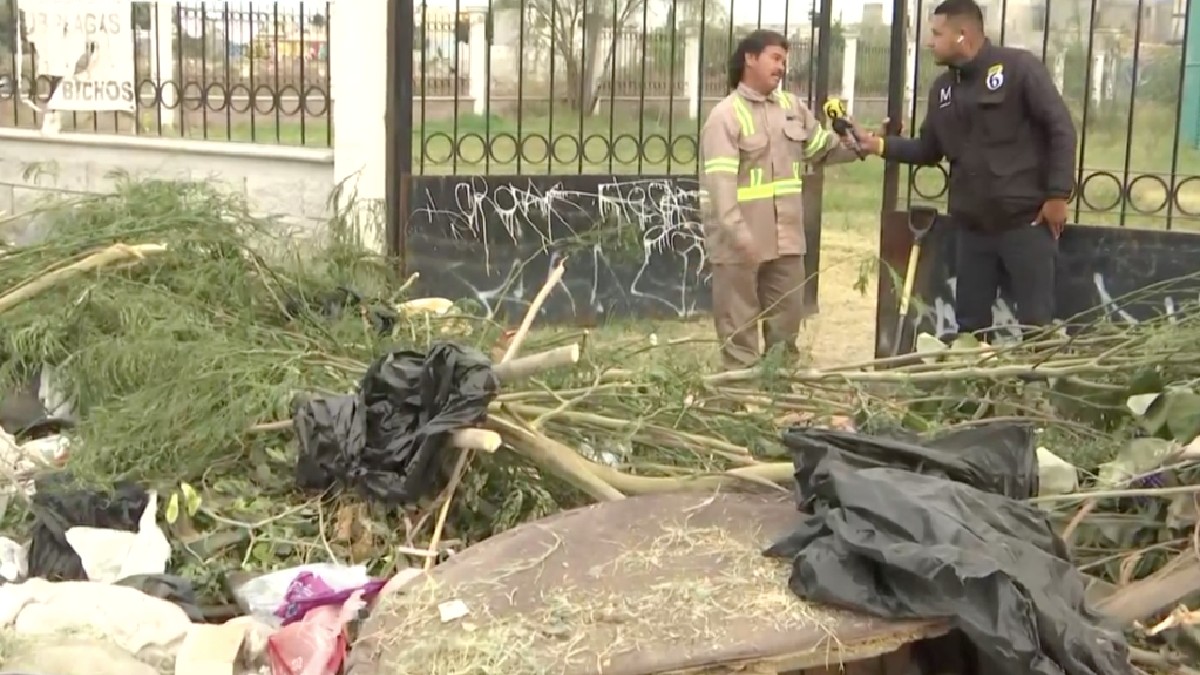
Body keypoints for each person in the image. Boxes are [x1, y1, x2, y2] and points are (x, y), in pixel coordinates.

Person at [853, 0, 1077, 343]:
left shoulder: (1019, 68)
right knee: (970, 326)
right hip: (972, 229)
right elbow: (929, 148)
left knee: (1036, 324)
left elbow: (1061, 128)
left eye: (936, 33)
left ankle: (1034, 393)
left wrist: (1058, 195)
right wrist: (879, 146)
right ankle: (972, 394)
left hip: (1025, 224)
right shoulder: (943, 89)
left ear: (963, 34)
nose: (930, 42)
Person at [699, 29, 859, 370]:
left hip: (787, 243)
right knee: (739, 330)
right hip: (740, 243)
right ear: (750, 58)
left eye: (784, 61)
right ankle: (743, 401)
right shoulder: (725, 117)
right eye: (775, 58)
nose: (782, 67)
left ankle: (780, 395)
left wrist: (863, 143)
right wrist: (741, 238)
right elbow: (720, 187)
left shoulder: (792, 107)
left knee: (786, 328)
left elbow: (822, 150)